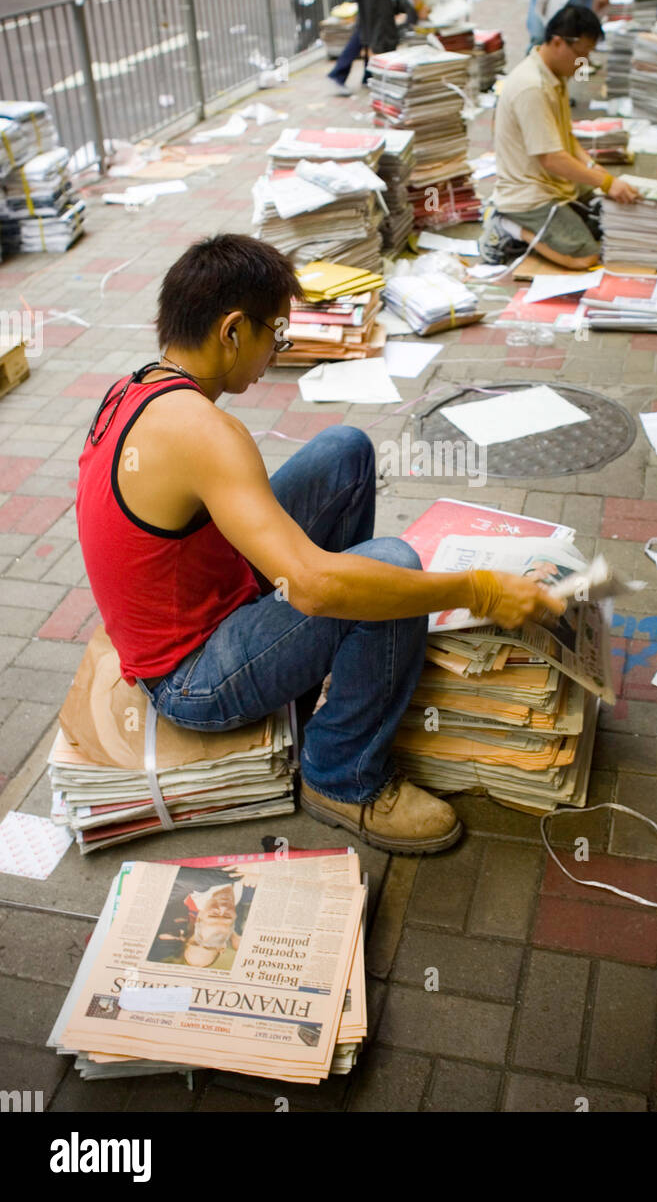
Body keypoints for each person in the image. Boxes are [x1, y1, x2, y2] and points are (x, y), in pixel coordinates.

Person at [75, 234, 564, 856]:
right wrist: (476, 589)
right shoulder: (205, 432)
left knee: (344, 451)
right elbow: (314, 585)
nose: (277, 352)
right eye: (275, 335)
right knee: (385, 570)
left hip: (214, 591)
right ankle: (343, 776)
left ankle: (346, 660)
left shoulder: (138, 387)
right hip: (187, 677)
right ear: (232, 331)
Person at [480, 5, 638, 270]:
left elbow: (565, 137)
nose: (583, 64)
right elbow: (551, 159)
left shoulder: (554, 74)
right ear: (557, 42)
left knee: (609, 222)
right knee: (583, 256)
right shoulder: (532, 86)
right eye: (580, 55)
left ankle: (542, 225)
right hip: (529, 194)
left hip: (554, 184)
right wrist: (607, 181)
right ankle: (508, 225)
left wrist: (592, 167)